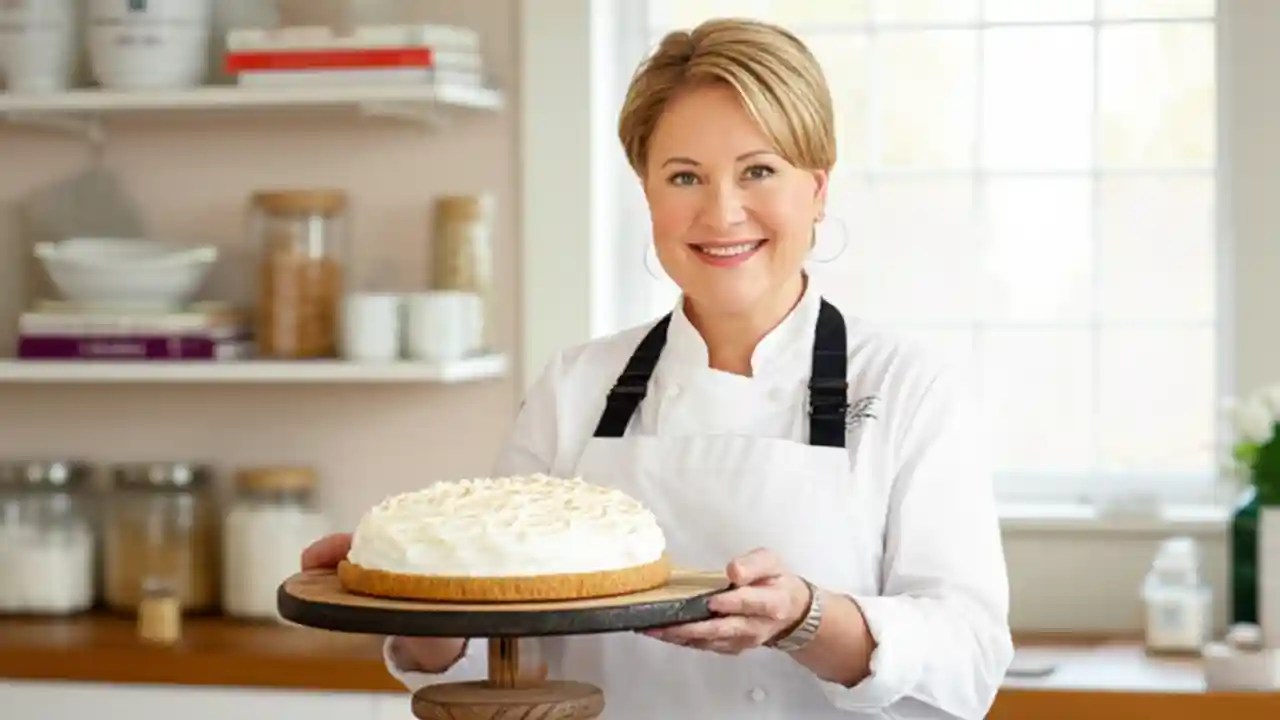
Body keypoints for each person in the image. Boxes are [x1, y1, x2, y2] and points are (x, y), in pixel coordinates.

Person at [303, 16, 1013, 719]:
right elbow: (501, 650)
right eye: (684, 177)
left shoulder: (909, 386)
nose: (722, 211)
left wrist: (808, 618)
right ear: (647, 192)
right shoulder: (576, 387)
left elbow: (969, 659)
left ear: (818, 189)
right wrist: (417, 588)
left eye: (759, 170)